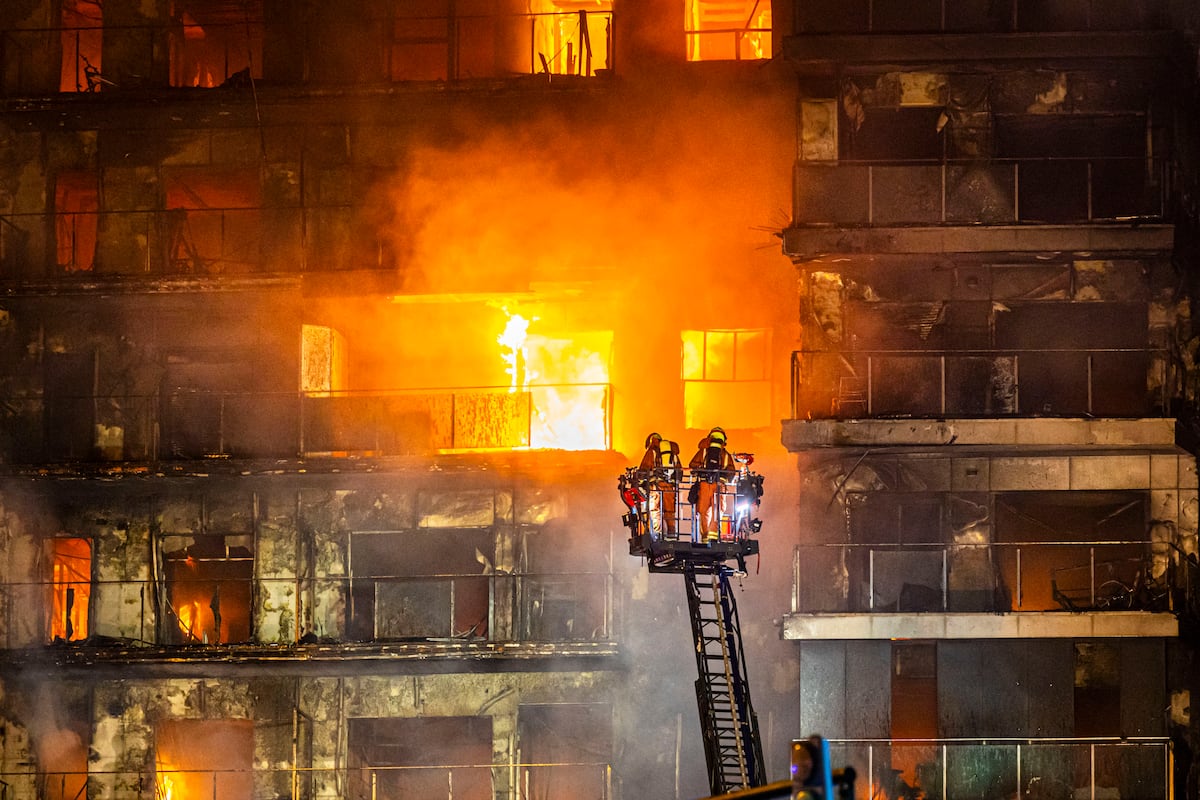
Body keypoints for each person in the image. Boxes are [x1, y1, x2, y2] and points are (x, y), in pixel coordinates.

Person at [689, 426, 735, 543]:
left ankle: (705, 537)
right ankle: (713, 535)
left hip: (704, 485)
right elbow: (732, 472)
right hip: (719, 485)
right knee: (718, 509)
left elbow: (692, 465)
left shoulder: (703, 452)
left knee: (703, 510)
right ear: (724, 441)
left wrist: (700, 471)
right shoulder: (726, 455)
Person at [639, 432, 680, 537]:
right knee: (669, 511)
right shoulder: (671, 453)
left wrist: (640, 481)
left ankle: (657, 533)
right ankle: (671, 534)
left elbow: (644, 469)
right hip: (670, 487)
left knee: (655, 510)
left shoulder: (651, 452)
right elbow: (679, 470)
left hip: (656, 487)